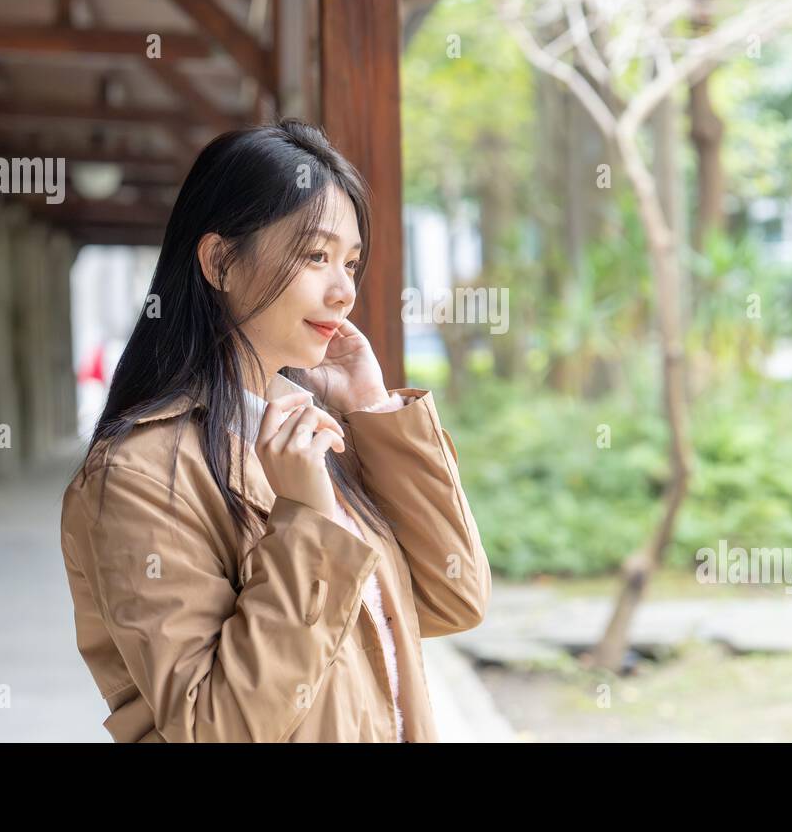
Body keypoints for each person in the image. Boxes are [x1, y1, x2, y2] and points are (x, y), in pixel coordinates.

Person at [59, 119, 491, 742]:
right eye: (316, 256)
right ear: (219, 260)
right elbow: (217, 729)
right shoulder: (138, 476)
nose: (344, 291)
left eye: (350, 263)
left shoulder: (319, 432)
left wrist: (374, 412)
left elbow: (455, 596)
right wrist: (306, 523)